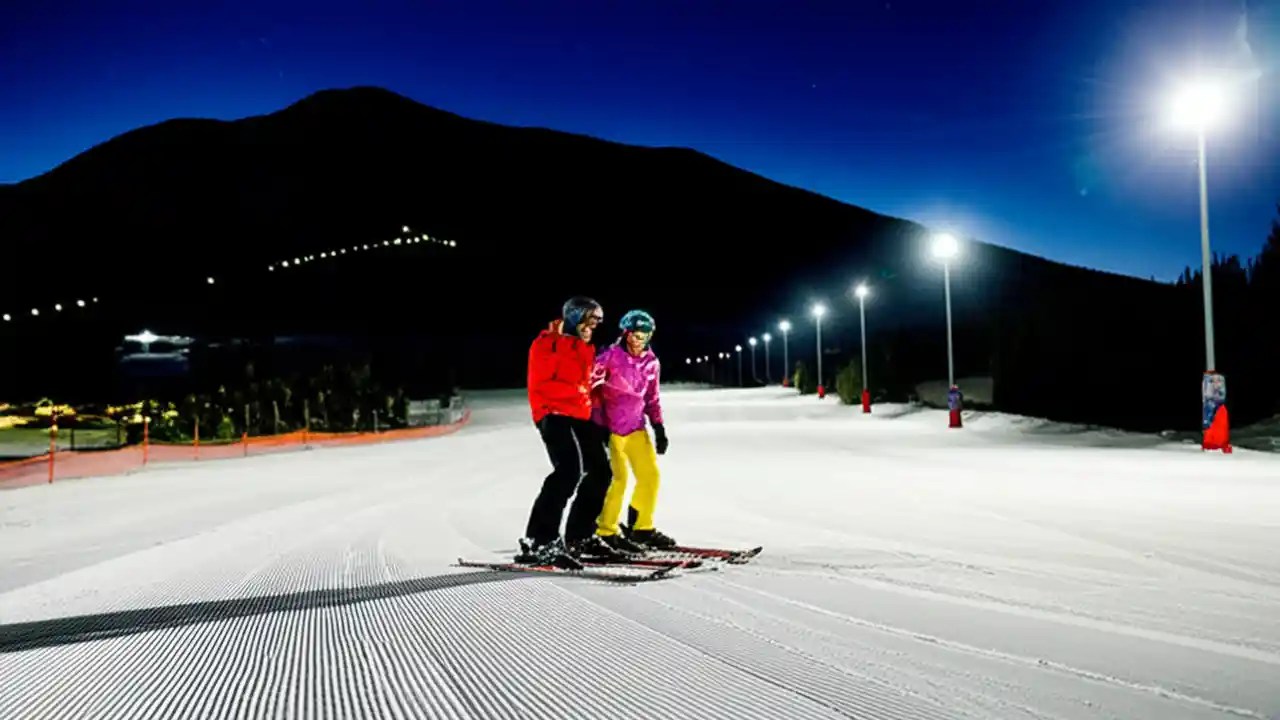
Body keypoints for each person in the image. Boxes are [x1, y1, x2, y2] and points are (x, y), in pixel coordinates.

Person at [518, 296, 626, 568]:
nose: (593, 327)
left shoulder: (585, 347)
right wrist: (579, 391)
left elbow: (586, 382)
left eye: (596, 322)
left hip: (579, 414)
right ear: (575, 317)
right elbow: (543, 382)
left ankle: (580, 537)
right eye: (589, 320)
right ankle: (539, 541)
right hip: (551, 412)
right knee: (567, 472)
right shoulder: (546, 343)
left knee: (602, 471)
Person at [591, 309, 678, 551]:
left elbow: (652, 398)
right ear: (626, 334)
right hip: (611, 429)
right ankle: (605, 530)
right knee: (618, 479)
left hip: (636, 428)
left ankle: (642, 528)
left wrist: (659, 426)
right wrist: (596, 422)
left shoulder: (651, 362)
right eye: (635, 335)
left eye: (645, 336)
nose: (639, 341)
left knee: (650, 476)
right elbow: (592, 390)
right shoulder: (608, 357)